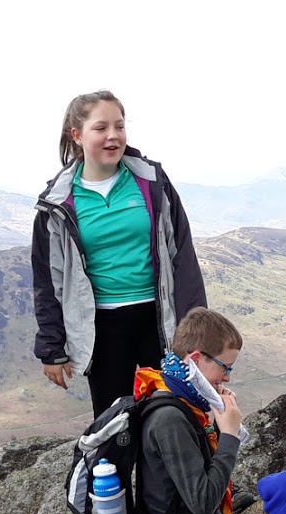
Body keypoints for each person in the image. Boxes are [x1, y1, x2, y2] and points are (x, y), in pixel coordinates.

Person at [32, 90, 208, 417]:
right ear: (78, 135)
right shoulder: (56, 203)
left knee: (175, 416)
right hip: (102, 328)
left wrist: (198, 332)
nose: (113, 136)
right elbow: (47, 280)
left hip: (159, 321)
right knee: (115, 424)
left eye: (120, 126)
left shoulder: (152, 182)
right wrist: (51, 349)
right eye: (101, 128)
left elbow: (182, 258)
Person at [133, 308, 268, 514]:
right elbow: (204, 503)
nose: (227, 377)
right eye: (225, 367)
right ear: (196, 358)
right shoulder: (170, 419)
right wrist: (229, 436)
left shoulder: (178, 397)